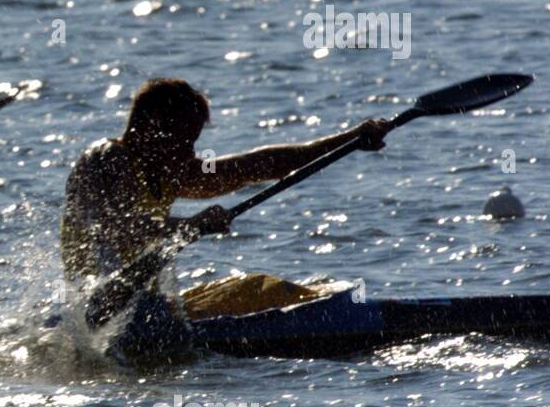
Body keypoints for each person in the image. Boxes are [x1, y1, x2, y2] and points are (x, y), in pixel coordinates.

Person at [60, 78, 392, 324]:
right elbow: (121, 229)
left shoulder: (164, 168)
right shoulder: (108, 159)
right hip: (101, 309)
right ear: (152, 128)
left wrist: (349, 140)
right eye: (184, 141)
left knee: (265, 290)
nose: (190, 153)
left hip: (141, 307)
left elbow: (259, 165)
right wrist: (192, 225)